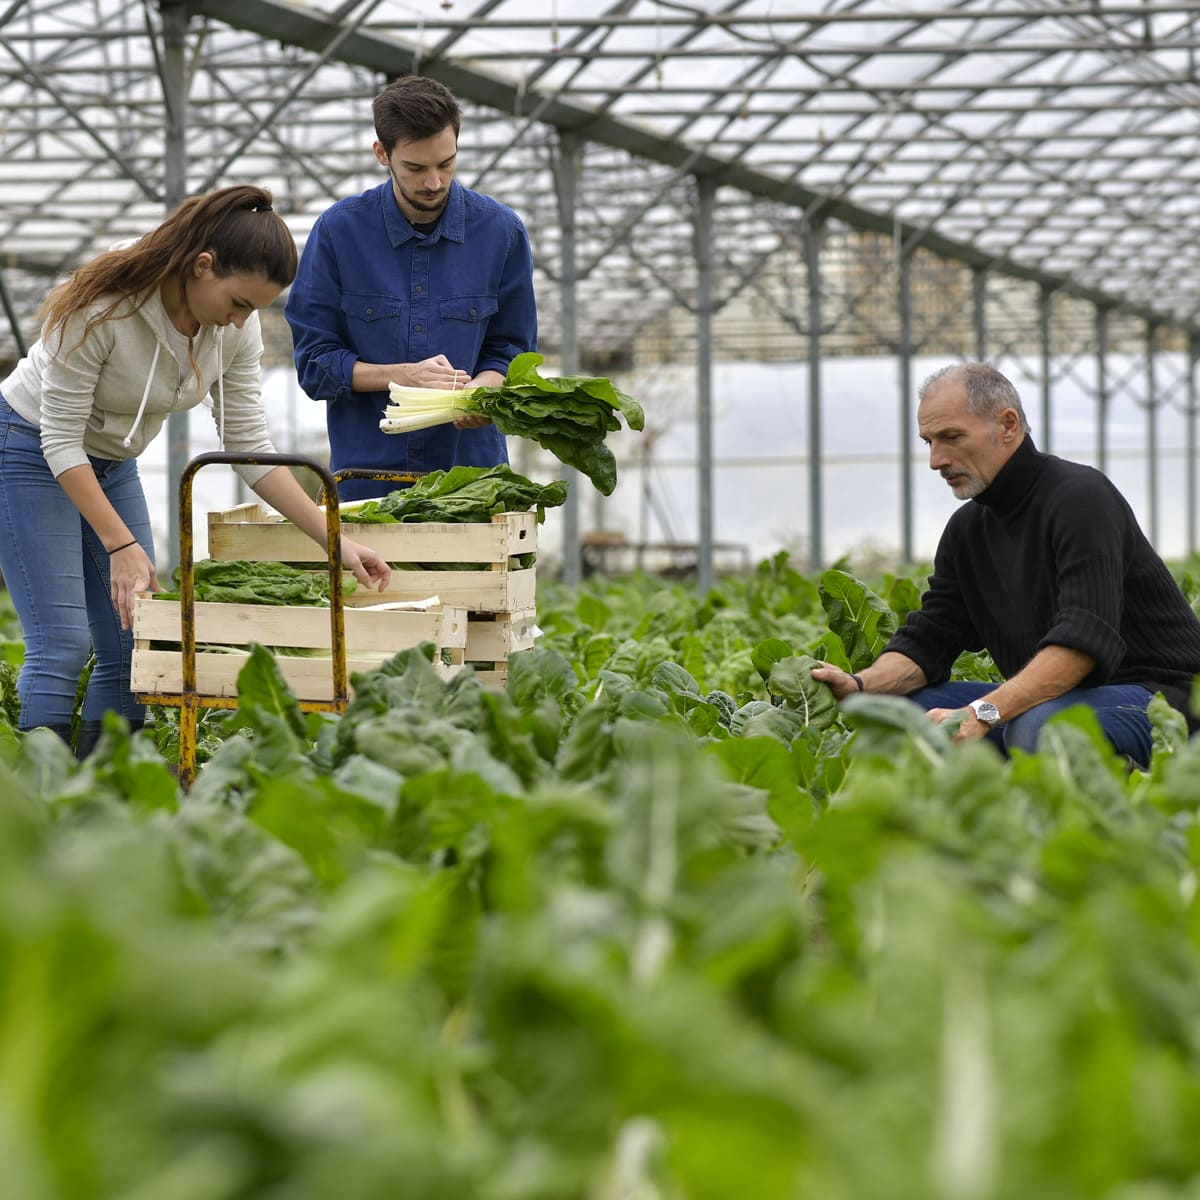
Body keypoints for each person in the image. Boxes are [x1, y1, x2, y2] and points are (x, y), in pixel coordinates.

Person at [0, 184, 392, 756]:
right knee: (60, 643)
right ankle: (34, 806)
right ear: (202, 266)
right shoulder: (102, 303)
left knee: (140, 639)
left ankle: (100, 793)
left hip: (112, 461)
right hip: (30, 447)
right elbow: (60, 440)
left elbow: (249, 445)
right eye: (238, 303)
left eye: (253, 310)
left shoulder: (234, 329)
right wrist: (121, 546)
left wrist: (334, 540)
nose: (242, 321)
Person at [812, 362, 1200, 766]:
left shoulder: (1080, 499)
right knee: (901, 711)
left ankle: (1112, 804)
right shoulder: (967, 531)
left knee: (1042, 726)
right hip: (1063, 698)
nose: (936, 460)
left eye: (951, 437)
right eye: (928, 442)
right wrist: (860, 685)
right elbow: (930, 639)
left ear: (1008, 425)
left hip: (1161, 696)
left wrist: (984, 712)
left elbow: (1084, 640)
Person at [284, 74, 538, 502]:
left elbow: (511, 350)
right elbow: (314, 365)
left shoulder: (502, 233)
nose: (434, 182)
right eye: (416, 168)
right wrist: (403, 377)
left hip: (472, 486)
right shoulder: (338, 233)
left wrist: (486, 389)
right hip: (366, 485)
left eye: (447, 163)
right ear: (382, 154)